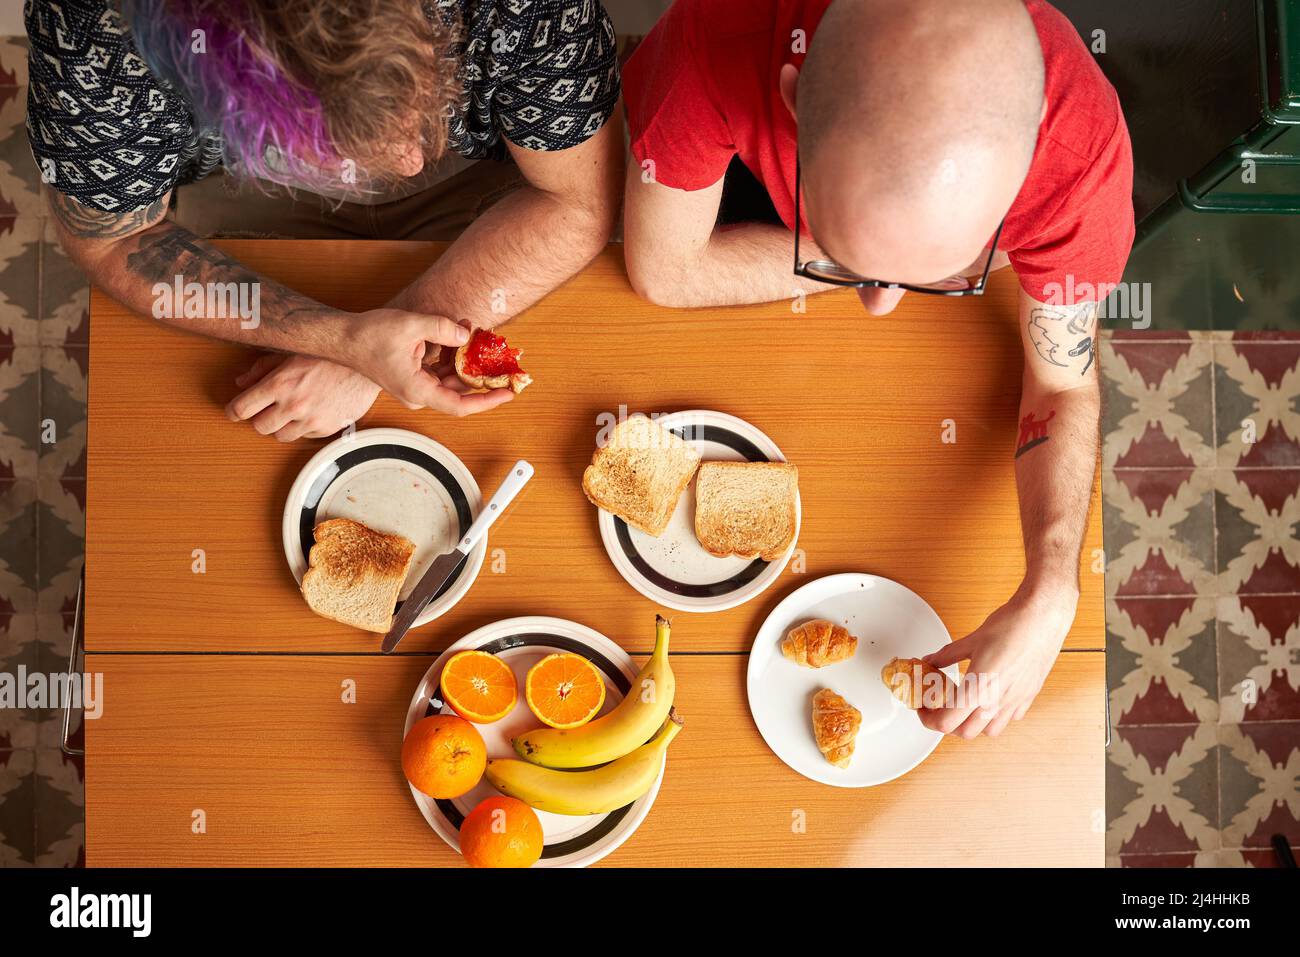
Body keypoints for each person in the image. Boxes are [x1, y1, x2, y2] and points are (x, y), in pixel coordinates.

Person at [622, 0, 1135, 737]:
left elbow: (1060, 382)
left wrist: (1055, 587)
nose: (881, 306)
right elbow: (666, 271)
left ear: (1027, 167)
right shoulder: (721, 30)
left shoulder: (1080, 159)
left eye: (938, 274)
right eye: (855, 267)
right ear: (794, 95)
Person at [26, 0, 623, 441]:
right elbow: (115, 238)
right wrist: (339, 339)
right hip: (245, 190)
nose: (406, 162)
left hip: (486, 179)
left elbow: (579, 200)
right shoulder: (98, 24)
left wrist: (364, 362)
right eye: (343, 137)